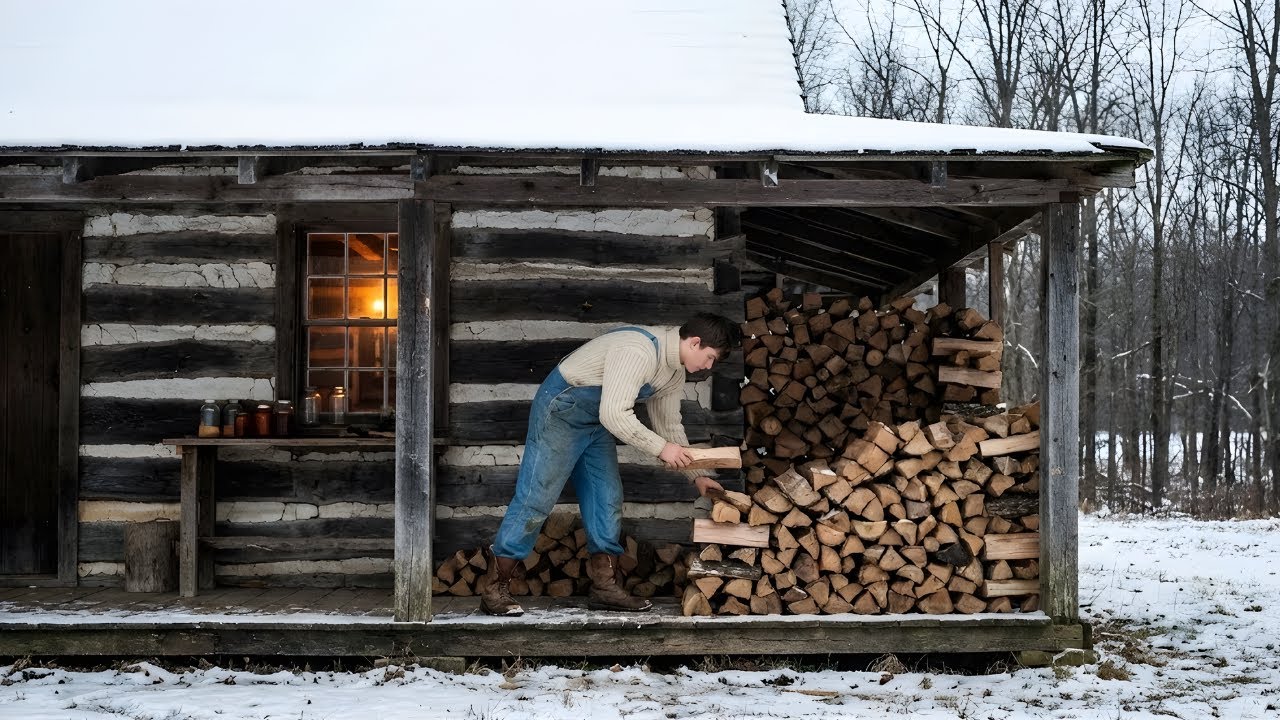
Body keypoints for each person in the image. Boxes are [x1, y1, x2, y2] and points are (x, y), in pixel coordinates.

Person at [480, 313, 741, 616]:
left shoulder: (673, 373)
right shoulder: (639, 350)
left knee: (606, 498)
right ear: (695, 342)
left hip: (595, 422)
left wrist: (696, 475)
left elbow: (669, 427)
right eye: (709, 358)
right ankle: (494, 589)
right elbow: (616, 416)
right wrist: (661, 449)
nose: (709, 367)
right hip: (561, 411)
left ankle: (604, 587)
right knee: (537, 497)